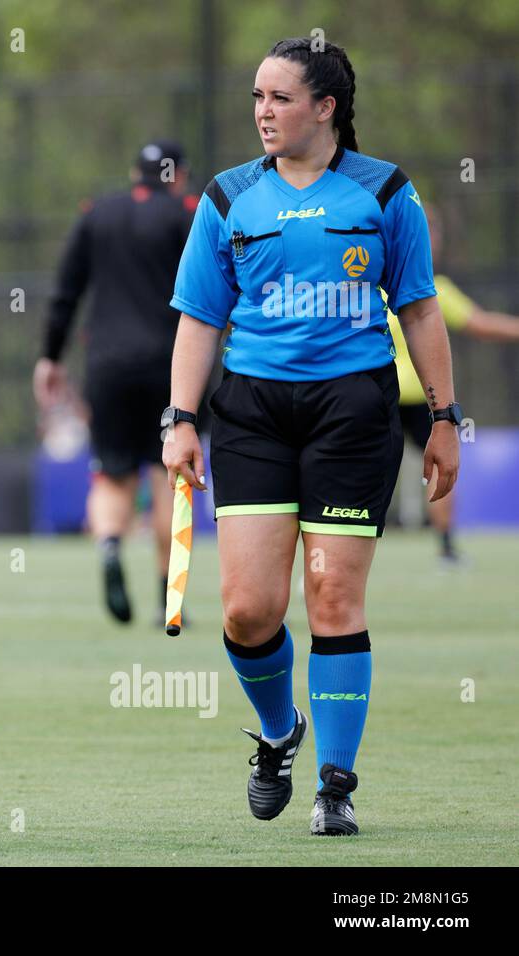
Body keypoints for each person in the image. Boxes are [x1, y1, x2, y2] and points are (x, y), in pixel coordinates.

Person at [163, 38, 461, 836]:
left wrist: (442, 418)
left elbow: (422, 309)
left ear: (325, 108)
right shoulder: (227, 198)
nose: (263, 111)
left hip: (352, 413)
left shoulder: (386, 191)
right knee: (249, 611)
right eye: (256, 97)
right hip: (253, 412)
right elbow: (200, 319)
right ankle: (278, 732)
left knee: (333, 596)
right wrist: (181, 420)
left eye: (280, 98)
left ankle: (336, 785)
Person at [35, 140, 196, 627]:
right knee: (171, 478)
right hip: (172, 366)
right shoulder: (185, 217)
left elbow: (66, 291)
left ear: (133, 173)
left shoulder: (97, 214)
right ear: (179, 177)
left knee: (113, 474)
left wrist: (50, 356)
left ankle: (109, 546)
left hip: (107, 365)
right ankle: (168, 603)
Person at [388, 203, 519, 565]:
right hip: (377, 395)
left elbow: (480, 323)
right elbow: (480, 324)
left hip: (418, 400)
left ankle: (445, 545)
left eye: (437, 232)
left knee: (440, 467)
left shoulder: (431, 288)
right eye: (428, 231)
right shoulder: (382, 285)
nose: (435, 240)